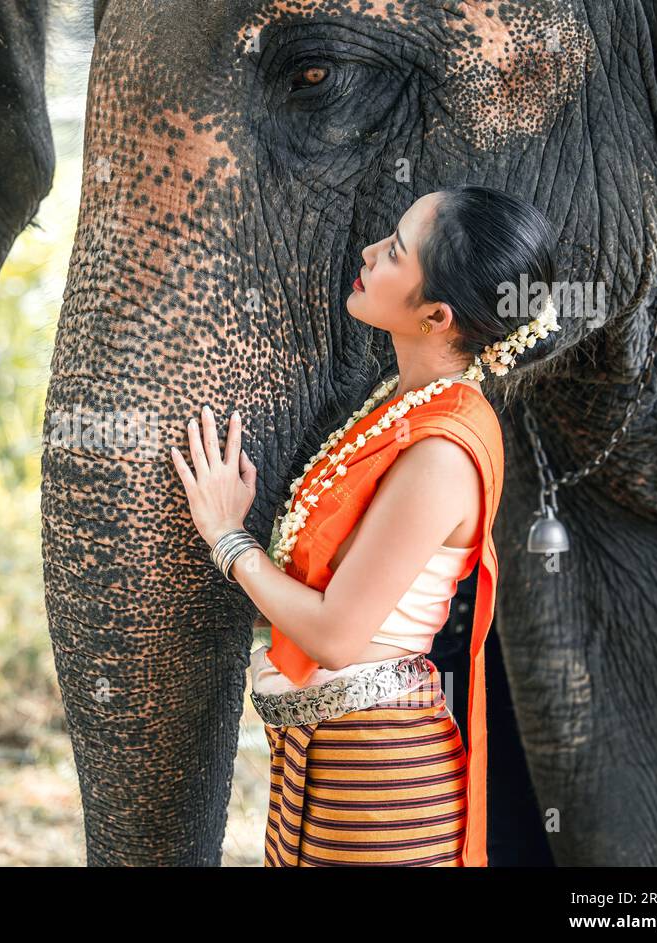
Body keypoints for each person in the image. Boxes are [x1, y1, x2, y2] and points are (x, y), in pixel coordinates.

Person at [170, 185, 561, 866]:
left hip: (380, 780)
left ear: (436, 315)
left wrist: (228, 538)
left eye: (395, 252)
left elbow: (336, 635)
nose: (369, 251)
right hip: (323, 754)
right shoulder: (404, 402)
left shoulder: (442, 449)